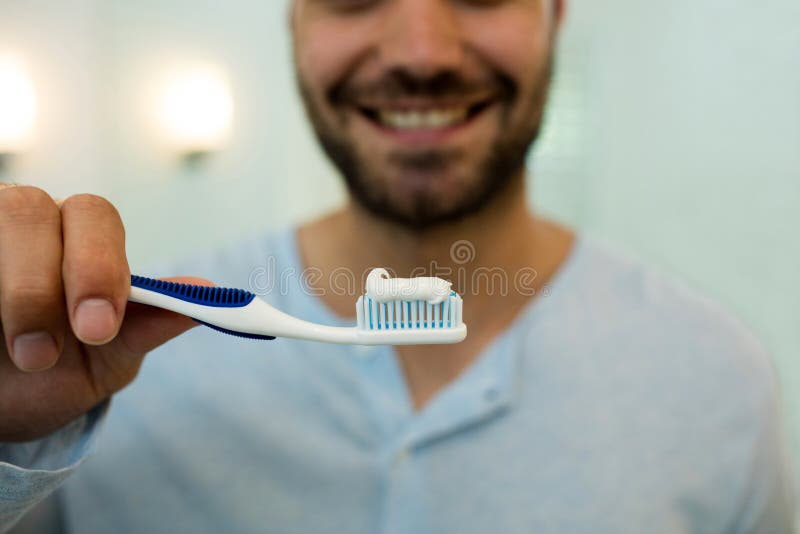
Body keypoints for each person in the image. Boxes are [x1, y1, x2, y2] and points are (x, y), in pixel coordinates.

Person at [0, 0, 795, 532]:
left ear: (555, 11)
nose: (422, 52)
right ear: (294, 18)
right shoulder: (103, 357)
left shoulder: (717, 381)